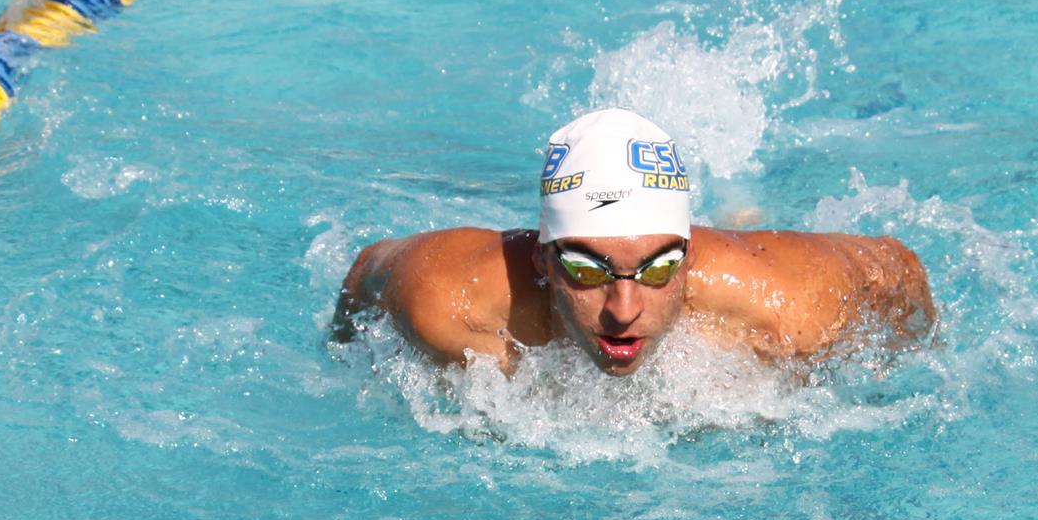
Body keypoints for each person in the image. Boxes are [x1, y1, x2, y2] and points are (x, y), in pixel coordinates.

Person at [332, 108, 934, 375]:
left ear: (689, 254)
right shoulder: (448, 300)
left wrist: (925, 358)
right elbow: (367, 270)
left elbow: (900, 268)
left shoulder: (787, 310)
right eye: (589, 272)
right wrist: (342, 352)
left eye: (657, 269)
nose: (624, 311)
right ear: (544, 260)